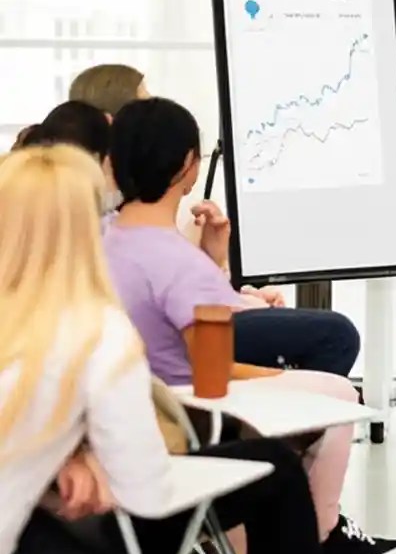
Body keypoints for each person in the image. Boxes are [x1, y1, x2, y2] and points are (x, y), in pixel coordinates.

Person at [101, 97, 396, 554]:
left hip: (139, 405)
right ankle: (322, 532)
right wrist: (277, 379)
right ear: (188, 167)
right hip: (184, 405)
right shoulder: (176, 261)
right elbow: (213, 366)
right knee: (341, 394)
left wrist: (212, 261)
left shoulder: (105, 236)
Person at [0, 146, 326, 554]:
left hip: (32, 520)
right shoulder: (95, 335)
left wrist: (63, 460)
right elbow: (146, 491)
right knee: (277, 467)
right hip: (88, 515)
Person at [67, 64, 362, 377]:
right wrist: (292, 383)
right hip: (186, 396)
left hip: (158, 373)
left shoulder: (119, 229)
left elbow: (178, 295)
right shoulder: (149, 245)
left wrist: (225, 278)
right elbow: (210, 365)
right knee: (337, 340)